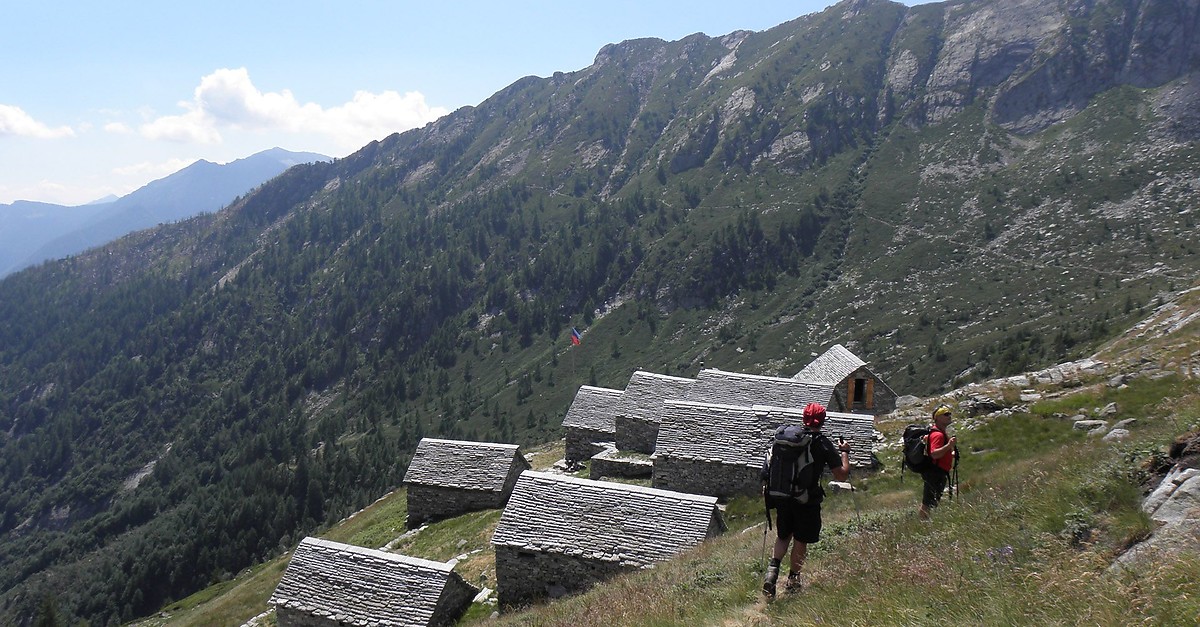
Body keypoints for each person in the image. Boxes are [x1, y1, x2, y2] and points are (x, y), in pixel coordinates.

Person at [761, 402, 850, 597]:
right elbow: (841, 475)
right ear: (822, 421)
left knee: (783, 535)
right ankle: (793, 581)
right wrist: (845, 452)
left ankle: (772, 573)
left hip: (783, 497)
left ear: (804, 419)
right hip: (806, 499)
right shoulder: (822, 443)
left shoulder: (788, 439)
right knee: (801, 540)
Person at [918, 404, 957, 520]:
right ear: (937, 418)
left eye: (949, 413)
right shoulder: (938, 435)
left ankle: (925, 521)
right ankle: (922, 523)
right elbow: (934, 453)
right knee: (927, 503)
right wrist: (949, 446)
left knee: (931, 502)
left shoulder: (940, 433)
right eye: (946, 414)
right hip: (935, 472)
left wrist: (950, 454)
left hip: (938, 471)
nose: (949, 416)